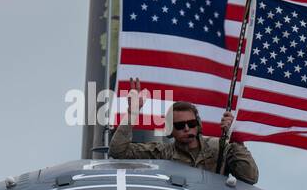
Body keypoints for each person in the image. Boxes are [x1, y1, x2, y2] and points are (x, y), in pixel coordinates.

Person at [108, 77, 259, 183]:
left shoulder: (221, 147)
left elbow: (250, 177)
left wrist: (237, 139)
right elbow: (118, 151)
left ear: (198, 124)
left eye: (191, 123)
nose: (187, 128)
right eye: (180, 126)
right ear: (170, 130)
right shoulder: (163, 152)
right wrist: (132, 113)